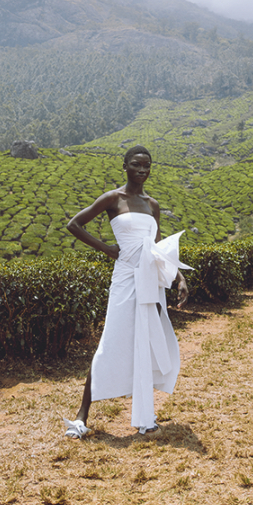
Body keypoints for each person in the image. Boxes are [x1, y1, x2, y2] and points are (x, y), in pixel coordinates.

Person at [63, 145, 190, 438]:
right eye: (136, 164)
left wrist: (180, 277)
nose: (142, 170)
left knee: (145, 342)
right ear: (125, 166)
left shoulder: (152, 205)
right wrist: (108, 249)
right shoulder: (113, 198)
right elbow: (74, 224)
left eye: (147, 165)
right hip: (124, 278)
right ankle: (82, 417)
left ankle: (146, 418)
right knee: (111, 340)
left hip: (150, 280)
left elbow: (158, 250)